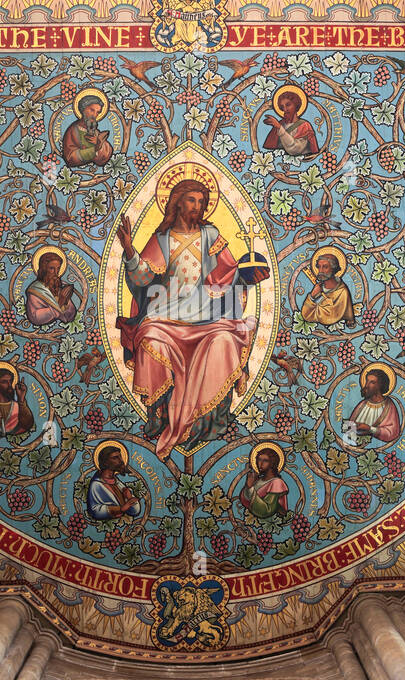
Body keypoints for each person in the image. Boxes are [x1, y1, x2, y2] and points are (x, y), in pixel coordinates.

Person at [116, 176, 269, 459]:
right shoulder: (161, 239)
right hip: (167, 313)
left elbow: (229, 274)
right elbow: (142, 280)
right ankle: (159, 414)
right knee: (149, 337)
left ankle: (212, 420)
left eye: (201, 202)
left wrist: (247, 275)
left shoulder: (211, 236)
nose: (197, 207)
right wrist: (129, 251)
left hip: (208, 313)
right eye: (191, 200)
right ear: (176, 202)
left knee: (224, 339)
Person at [86, 444, 142, 521]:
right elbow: (94, 511)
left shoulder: (118, 483)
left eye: (120, 457)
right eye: (115, 458)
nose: (121, 461)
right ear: (105, 462)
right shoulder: (97, 485)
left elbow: (135, 511)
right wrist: (120, 509)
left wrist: (129, 497)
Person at [345, 368, 401, 444]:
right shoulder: (362, 404)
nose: (367, 385)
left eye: (372, 382)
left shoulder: (389, 406)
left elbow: (392, 432)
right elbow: (349, 426)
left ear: (380, 385)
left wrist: (369, 428)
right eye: (367, 381)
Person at [301, 252, 355, 327]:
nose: (320, 271)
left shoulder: (342, 292)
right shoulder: (318, 288)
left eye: (325, 267)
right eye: (319, 267)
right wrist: (312, 295)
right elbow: (305, 315)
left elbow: (328, 316)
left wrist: (313, 303)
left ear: (333, 269)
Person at [25, 251, 77, 327]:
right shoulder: (35, 290)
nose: (56, 273)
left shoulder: (57, 287)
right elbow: (35, 317)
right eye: (52, 268)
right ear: (44, 269)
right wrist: (60, 304)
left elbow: (70, 316)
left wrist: (65, 302)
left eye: (58, 268)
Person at [63, 93, 113, 168]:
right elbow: (70, 158)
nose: (94, 115)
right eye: (92, 110)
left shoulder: (95, 131)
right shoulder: (73, 130)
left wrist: (100, 144)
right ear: (83, 109)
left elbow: (104, 157)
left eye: (98, 112)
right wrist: (94, 149)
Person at [263, 89, 319, 156]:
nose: (285, 109)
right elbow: (269, 147)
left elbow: (296, 149)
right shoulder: (280, 124)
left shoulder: (305, 125)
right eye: (282, 107)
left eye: (288, 105)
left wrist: (279, 127)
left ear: (296, 105)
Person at [239, 446, 289, 520]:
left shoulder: (276, 483)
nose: (261, 463)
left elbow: (266, 511)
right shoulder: (257, 480)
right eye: (259, 460)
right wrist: (249, 486)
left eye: (265, 460)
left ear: (272, 463)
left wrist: (250, 487)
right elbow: (245, 500)